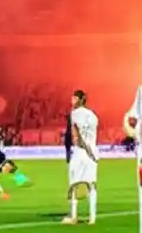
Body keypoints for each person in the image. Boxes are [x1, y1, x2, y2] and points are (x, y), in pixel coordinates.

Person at [63, 90, 99, 225]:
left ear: (79, 99)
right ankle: (92, 217)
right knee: (91, 184)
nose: (71, 100)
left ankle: (74, 216)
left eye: (74, 97)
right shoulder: (93, 115)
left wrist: (73, 150)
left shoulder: (74, 114)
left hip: (81, 151)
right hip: (93, 150)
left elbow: (75, 134)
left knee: (74, 184)